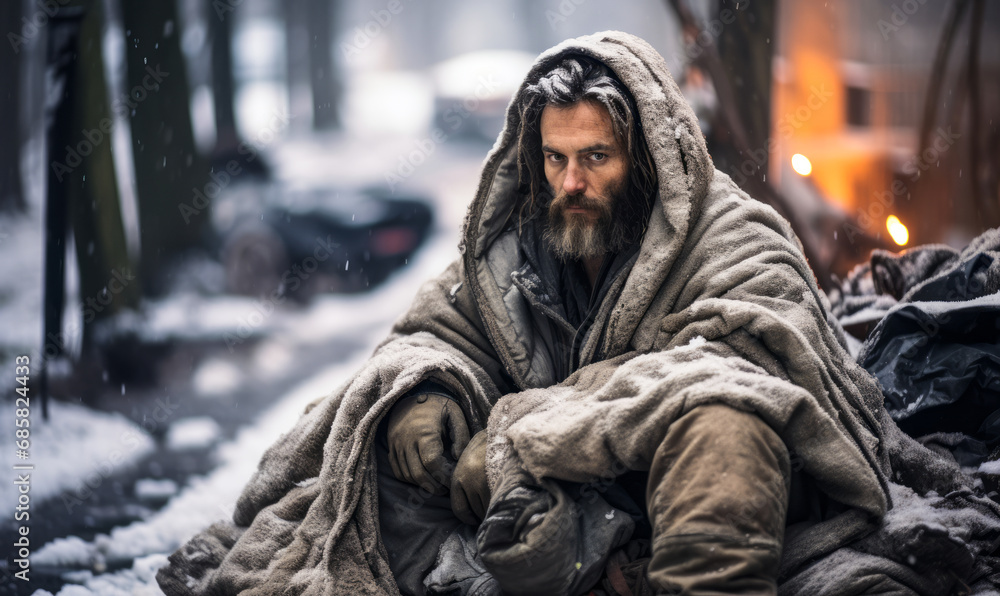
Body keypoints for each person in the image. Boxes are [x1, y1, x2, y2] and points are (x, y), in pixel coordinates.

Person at [158, 31, 1000, 596]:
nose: (571, 182)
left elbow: (751, 365)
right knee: (378, 463)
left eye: (596, 156)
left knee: (724, 428)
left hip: (690, 490)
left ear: (648, 158)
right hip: (560, 498)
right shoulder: (520, 244)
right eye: (556, 158)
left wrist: (525, 431)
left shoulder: (735, 236)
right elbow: (435, 332)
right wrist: (431, 392)